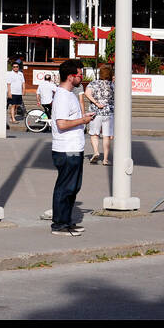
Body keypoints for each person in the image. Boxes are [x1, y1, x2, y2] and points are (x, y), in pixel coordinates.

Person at [49, 59, 94, 236]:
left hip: (73, 147)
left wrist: (84, 118)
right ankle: (59, 224)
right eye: (79, 75)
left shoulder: (70, 95)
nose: (82, 78)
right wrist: (83, 120)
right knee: (65, 187)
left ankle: (66, 221)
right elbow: (61, 123)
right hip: (66, 148)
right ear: (70, 77)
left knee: (73, 187)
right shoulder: (62, 96)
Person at [84, 64, 115, 165]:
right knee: (106, 136)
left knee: (94, 134)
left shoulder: (94, 83)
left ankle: (96, 152)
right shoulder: (113, 85)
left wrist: (96, 103)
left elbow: (87, 93)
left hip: (95, 112)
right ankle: (105, 159)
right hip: (109, 113)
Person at [6, 60, 25, 128]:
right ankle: (13, 119)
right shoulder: (10, 74)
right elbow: (8, 84)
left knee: (17, 106)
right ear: (12, 68)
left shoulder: (21, 74)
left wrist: (23, 90)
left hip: (19, 92)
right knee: (13, 105)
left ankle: (12, 117)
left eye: (17, 67)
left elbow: (23, 82)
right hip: (13, 92)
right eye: (14, 67)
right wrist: (9, 92)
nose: (15, 68)